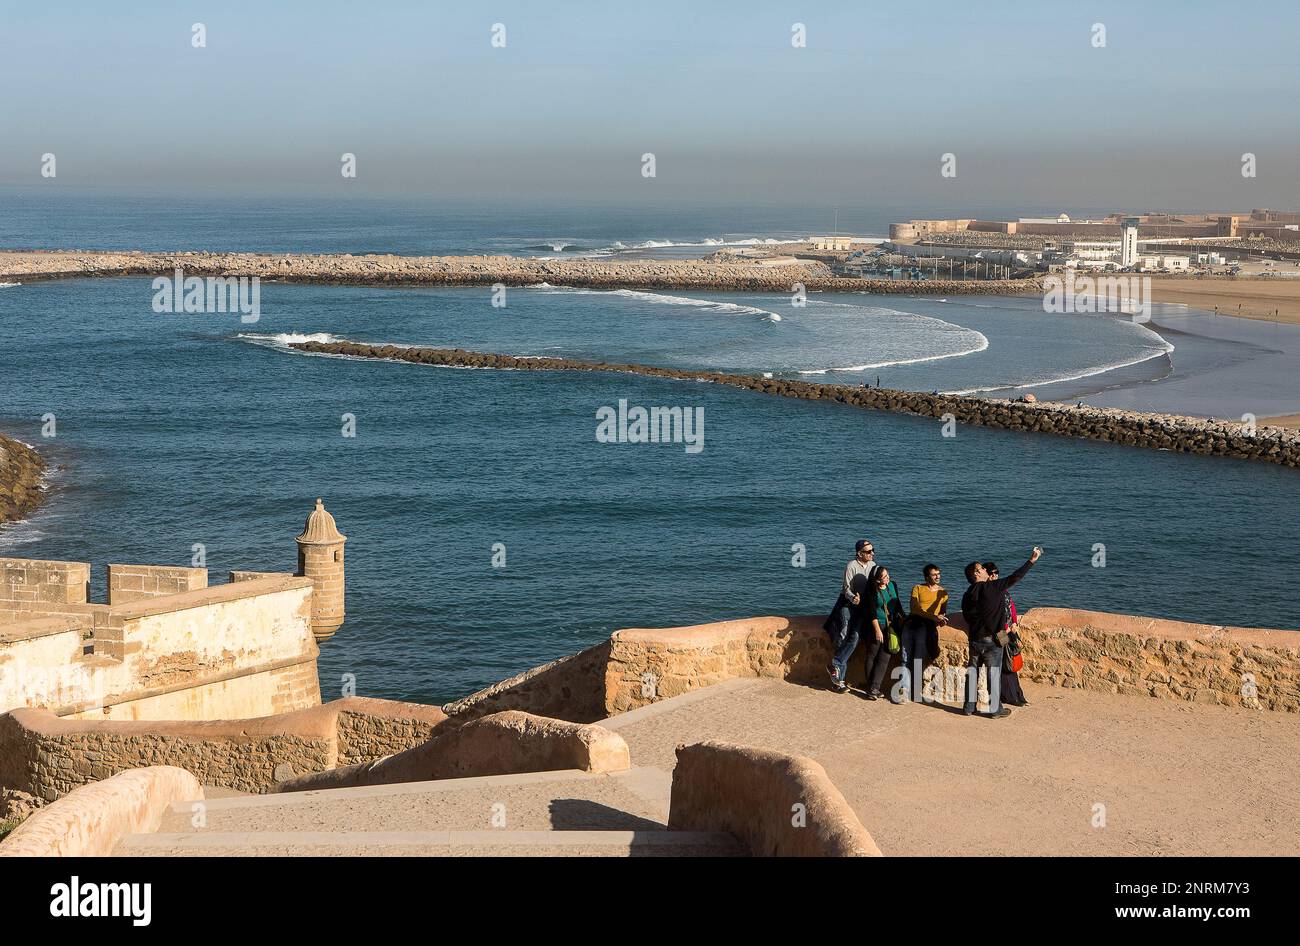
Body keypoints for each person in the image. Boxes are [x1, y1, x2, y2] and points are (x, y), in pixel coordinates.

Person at [960, 547, 1042, 718]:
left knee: (973, 672)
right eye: (982, 568)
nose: (985, 570)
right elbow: (1016, 576)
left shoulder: (967, 594)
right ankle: (995, 709)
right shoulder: (993, 587)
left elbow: (968, 617)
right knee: (994, 675)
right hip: (995, 639)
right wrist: (1031, 560)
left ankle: (968, 707)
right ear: (977, 574)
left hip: (975, 639)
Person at [822, 540, 879, 693]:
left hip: (863, 608)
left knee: (854, 639)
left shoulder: (873, 566)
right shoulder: (851, 566)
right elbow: (846, 589)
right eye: (868, 551)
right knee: (843, 637)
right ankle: (838, 681)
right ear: (860, 553)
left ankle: (835, 664)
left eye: (873, 550)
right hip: (848, 605)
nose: (872, 553)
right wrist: (854, 597)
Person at [900, 563, 948, 702]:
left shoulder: (943, 593)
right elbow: (915, 609)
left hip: (925, 628)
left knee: (918, 659)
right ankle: (904, 691)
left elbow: (942, 612)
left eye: (938, 574)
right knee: (905, 657)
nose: (938, 576)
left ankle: (914, 691)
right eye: (934, 574)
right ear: (927, 577)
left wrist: (941, 620)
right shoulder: (918, 588)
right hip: (911, 624)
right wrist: (933, 617)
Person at [984, 562, 1028, 706]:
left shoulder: (1001, 589)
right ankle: (1010, 696)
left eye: (996, 573)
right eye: (991, 573)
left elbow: (1011, 606)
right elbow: (993, 614)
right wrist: (1005, 628)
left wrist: (1014, 623)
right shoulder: (988, 591)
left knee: (1011, 661)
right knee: (1005, 663)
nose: (994, 576)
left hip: (1009, 630)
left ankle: (1017, 694)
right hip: (1000, 633)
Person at [864, 567, 905, 700]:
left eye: (887, 575)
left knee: (885, 656)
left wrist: (904, 618)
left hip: (891, 625)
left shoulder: (892, 585)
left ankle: (874, 687)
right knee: (872, 654)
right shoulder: (872, 590)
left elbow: (897, 604)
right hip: (878, 625)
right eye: (884, 576)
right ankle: (872, 688)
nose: (887, 578)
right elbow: (871, 612)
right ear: (877, 579)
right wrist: (877, 630)